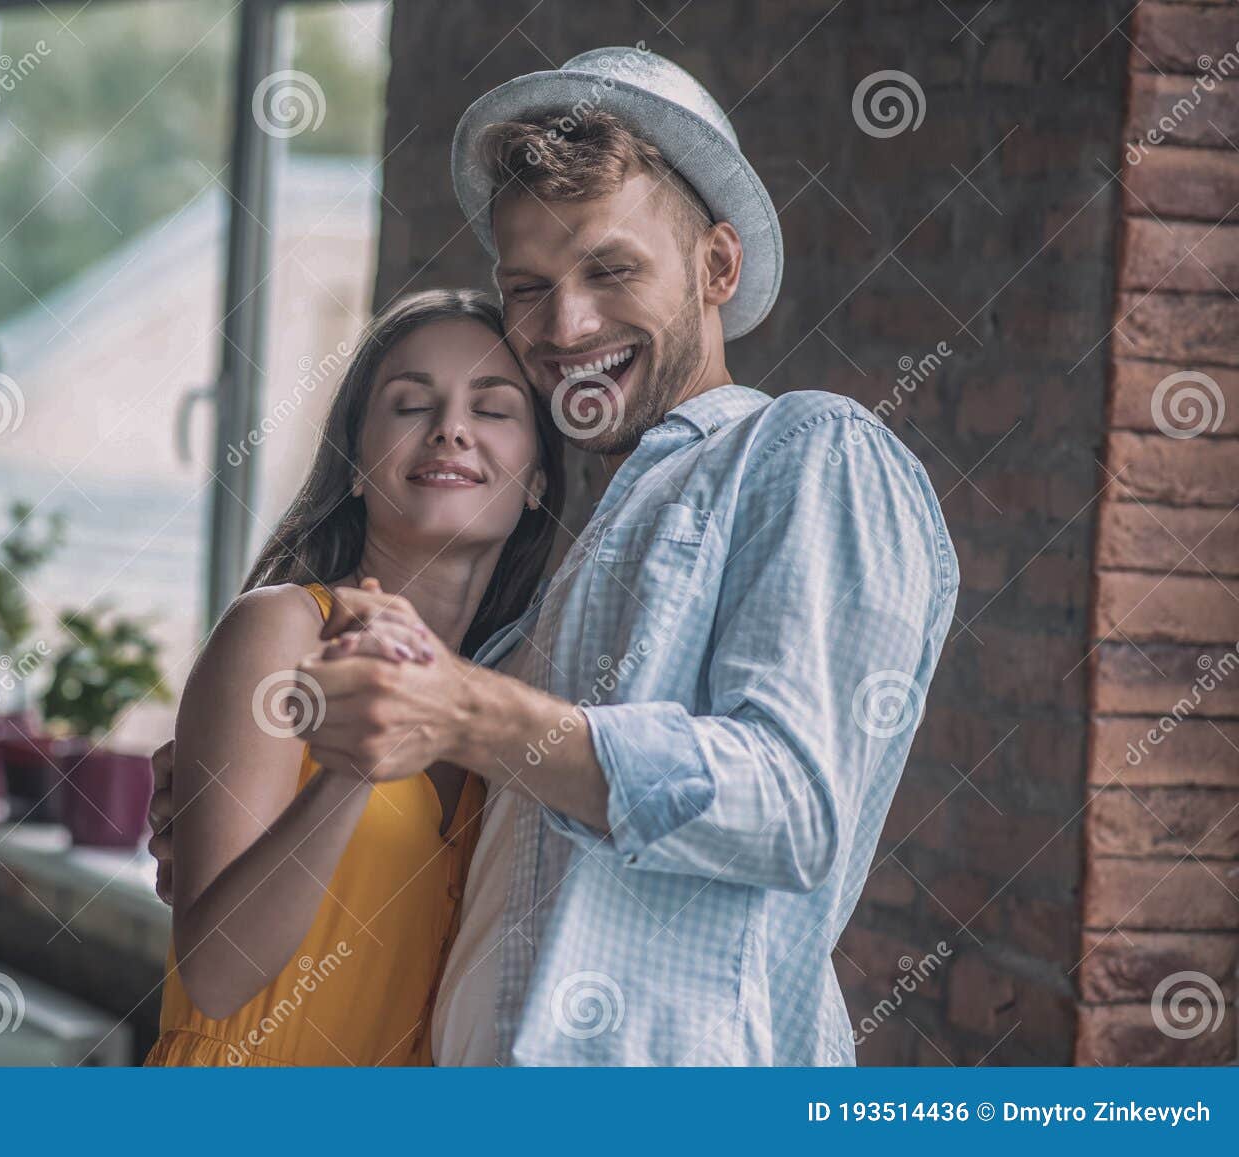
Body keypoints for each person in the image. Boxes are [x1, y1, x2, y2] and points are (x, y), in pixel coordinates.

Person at [154, 46, 961, 1066]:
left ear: (718, 266)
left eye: (610, 269)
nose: (565, 324)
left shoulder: (804, 450)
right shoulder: (541, 613)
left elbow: (796, 807)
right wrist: (238, 766)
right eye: (527, 286)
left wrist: (466, 712)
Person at [142, 288, 563, 1066]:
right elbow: (218, 972)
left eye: (494, 409)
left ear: (537, 481)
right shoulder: (282, 632)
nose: (451, 428)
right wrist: (350, 769)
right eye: (411, 404)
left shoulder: (515, 705)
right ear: (358, 467)